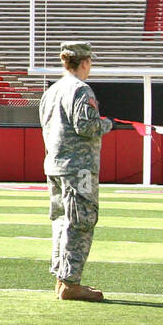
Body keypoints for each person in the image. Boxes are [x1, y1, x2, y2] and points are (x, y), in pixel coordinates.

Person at [40, 41, 115, 302]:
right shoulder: (81, 90)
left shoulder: (52, 90)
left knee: (62, 221)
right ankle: (71, 283)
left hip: (56, 164)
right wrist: (107, 124)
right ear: (84, 62)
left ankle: (62, 278)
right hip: (78, 168)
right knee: (81, 222)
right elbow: (86, 125)